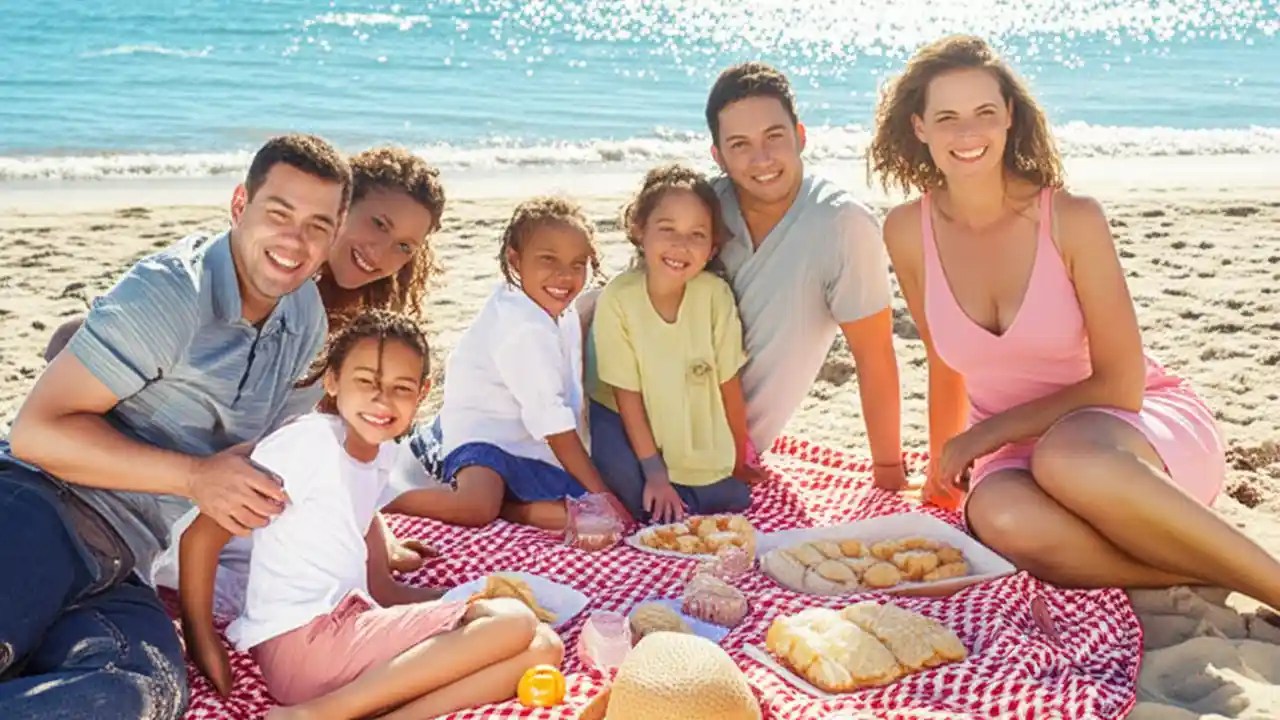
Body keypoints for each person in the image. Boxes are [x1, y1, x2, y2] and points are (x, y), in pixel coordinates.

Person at [870, 34, 1280, 605]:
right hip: (1013, 456)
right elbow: (948, 362)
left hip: (1129, 434)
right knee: (1002, 520)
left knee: (1067, 458)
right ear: (919, 127)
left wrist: (982, 433)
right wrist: (947, 463)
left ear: (1009, 117)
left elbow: (1121, 384)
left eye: (985, 112)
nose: (968, 134)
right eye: (947, 117)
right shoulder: (905, 231)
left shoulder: (1070, 218)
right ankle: (1201, 572)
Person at [0, 134, 350, 718]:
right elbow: (37, 432)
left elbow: (246, 477)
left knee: (144, 690)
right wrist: (192, 477)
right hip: (39, 508)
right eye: (279, 214)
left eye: (318, 225)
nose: (296, 241)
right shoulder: (171, 292)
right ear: (240, 206)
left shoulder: (305, 318)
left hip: (123, 565)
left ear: (334, 235)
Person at [183, 309, 562, 719]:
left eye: (401, 388)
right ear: (332, 381)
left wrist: (464, 601)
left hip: (349, 634)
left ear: (422, 393)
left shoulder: (381, 457)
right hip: (302, 644)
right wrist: (203, 642)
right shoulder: (307, 445)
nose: (382, 400)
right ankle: (316, 715)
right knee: (513, 623)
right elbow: (201, 537)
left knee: (544, 648)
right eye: (366, 381)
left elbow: (382, 590)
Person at [704, 62, 906, 489]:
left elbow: (874, 357)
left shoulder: (842, 224)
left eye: (774, 137)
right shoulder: (699, 209)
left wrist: (888, 473)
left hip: (723, 455)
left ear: (800, 136)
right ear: (717, 156)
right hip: (634, 427)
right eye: (739, 144)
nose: (761, 159)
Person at [391, 197, 629, 530]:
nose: (564, 275)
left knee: (581, 516)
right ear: (515, 260)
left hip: (527, 445)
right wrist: (602, 493)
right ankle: (383, 498)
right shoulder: (522, 325)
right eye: (548, 259)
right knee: (476, 508)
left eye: (578, 264)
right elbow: (554, 425)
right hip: (482, 437)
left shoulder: (558, 306)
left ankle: (514, 510)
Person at [588, 164, 767, 524]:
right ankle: (663, 487)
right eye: (667, 229)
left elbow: (728, 383)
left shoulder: (714, 295)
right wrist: (654, 472)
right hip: (624, 417)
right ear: (641, 231)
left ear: (712, 246)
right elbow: (627, 397)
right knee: (638, 498)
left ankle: (686, 491)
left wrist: (738, 455)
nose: (680, 246)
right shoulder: (618, 299)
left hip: (688, 416)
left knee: (733, 498)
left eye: (696, 235)